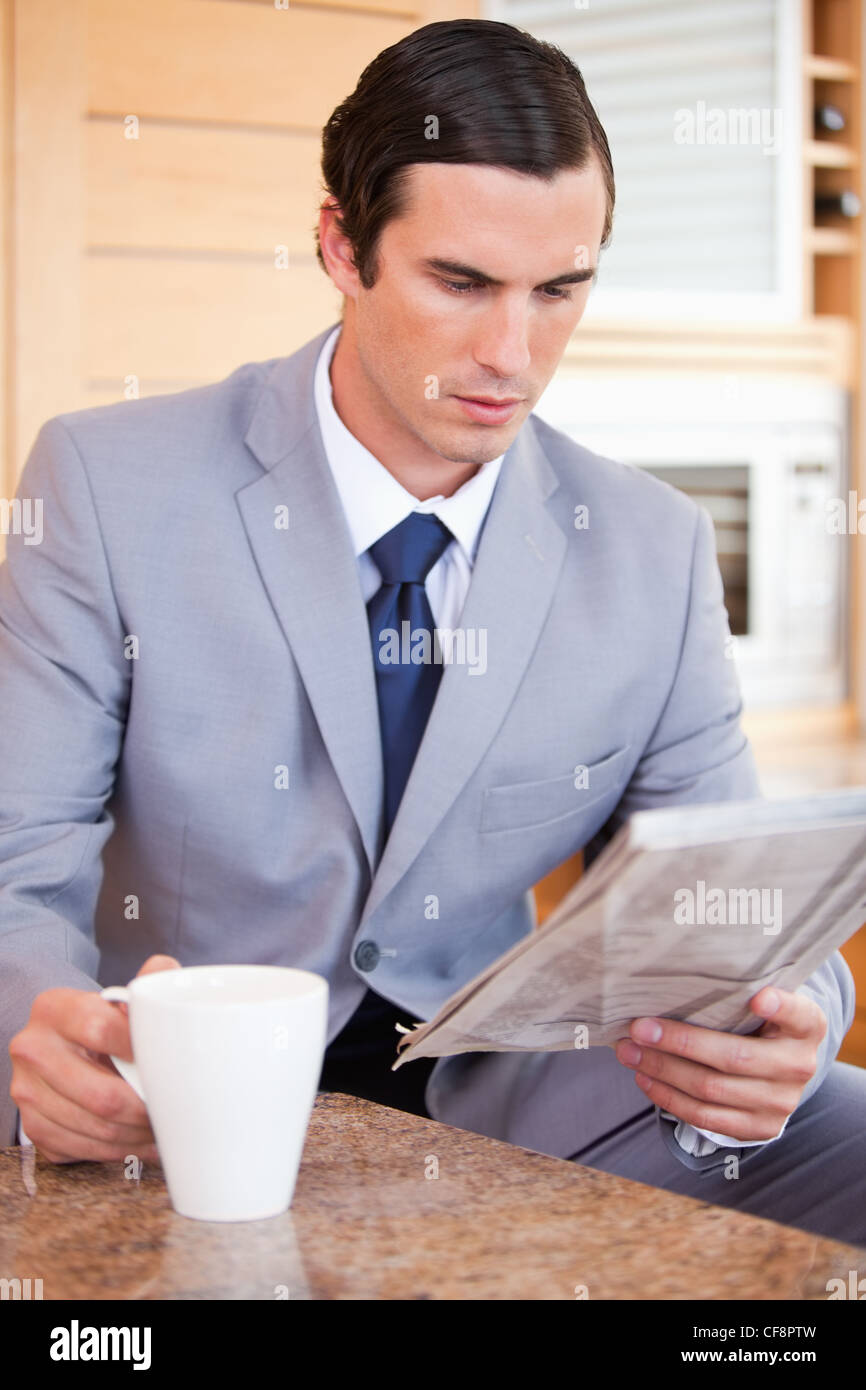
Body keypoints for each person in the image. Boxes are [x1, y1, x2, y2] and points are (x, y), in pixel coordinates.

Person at [2, 18, 864, 1245]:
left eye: (558, 290)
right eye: (459, 283)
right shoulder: (104, 484)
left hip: (516, 1106)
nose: (510, 356)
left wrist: (794, 1014)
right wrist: (37, 1034)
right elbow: (12, 862)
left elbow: (731, 892)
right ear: (339, 246)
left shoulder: (650, 547)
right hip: (177, 1113)